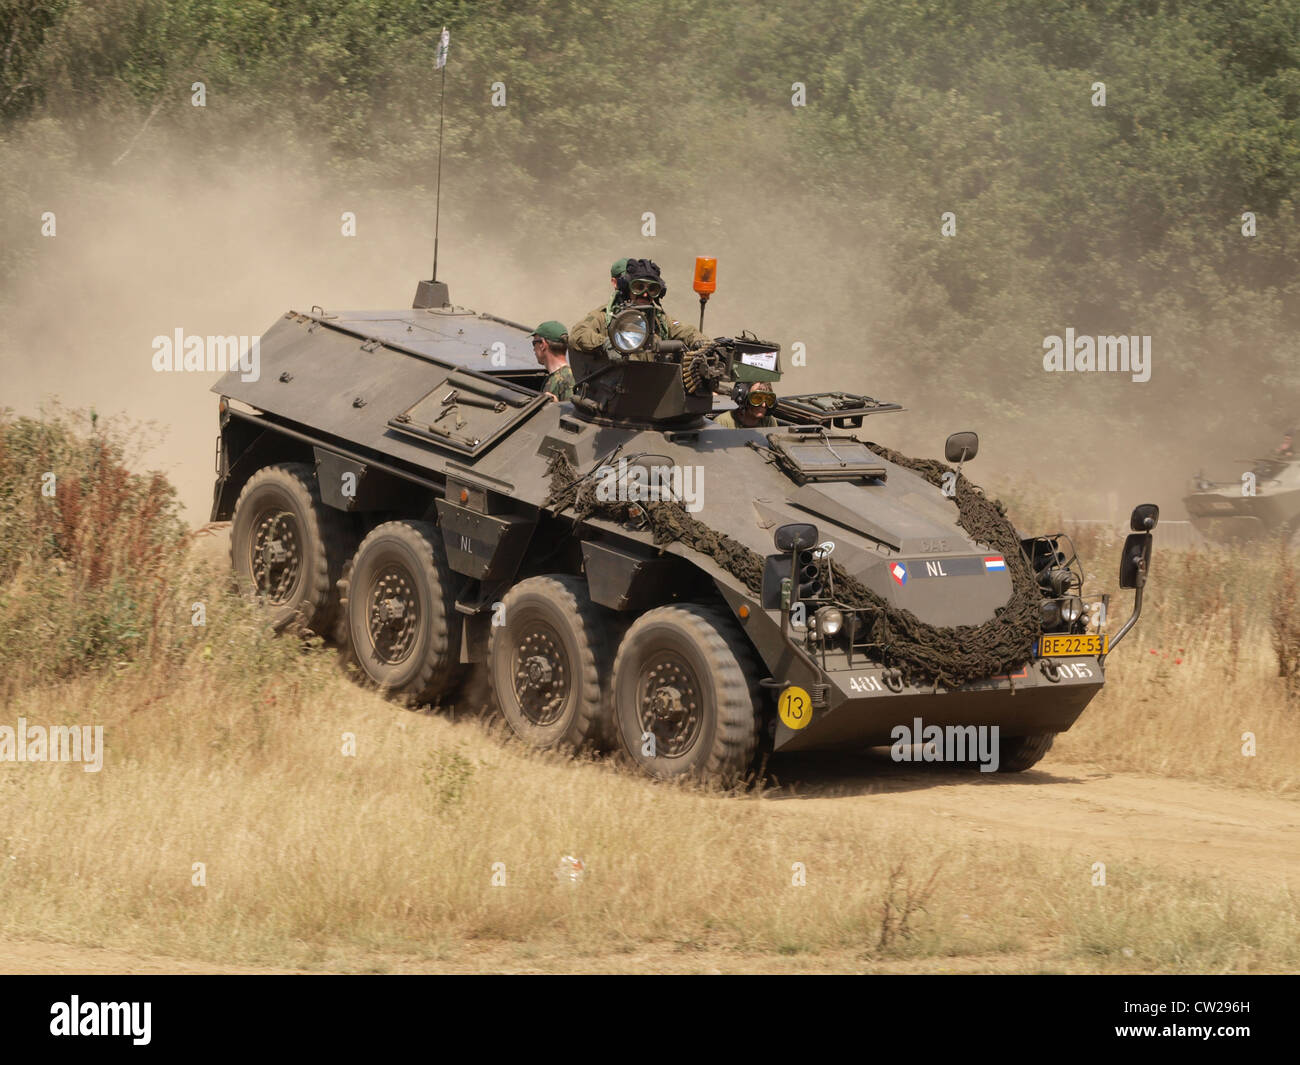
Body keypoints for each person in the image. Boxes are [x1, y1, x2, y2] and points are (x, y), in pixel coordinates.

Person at [569, 257, 707, 360]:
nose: (645, 294)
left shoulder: (660, 320)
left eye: (652, 289)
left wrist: (702, 343)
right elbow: (578, 333)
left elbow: (686, 331)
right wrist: (607, 344)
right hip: (616, 388)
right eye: (639, 287)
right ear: (627, 288)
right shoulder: (606, 316)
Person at [531, 320, 574, 402]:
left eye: (534, 343)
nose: (533, 349)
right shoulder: (557, 378)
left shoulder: (567, 379)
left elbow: (571, 412)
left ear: (542, 345)